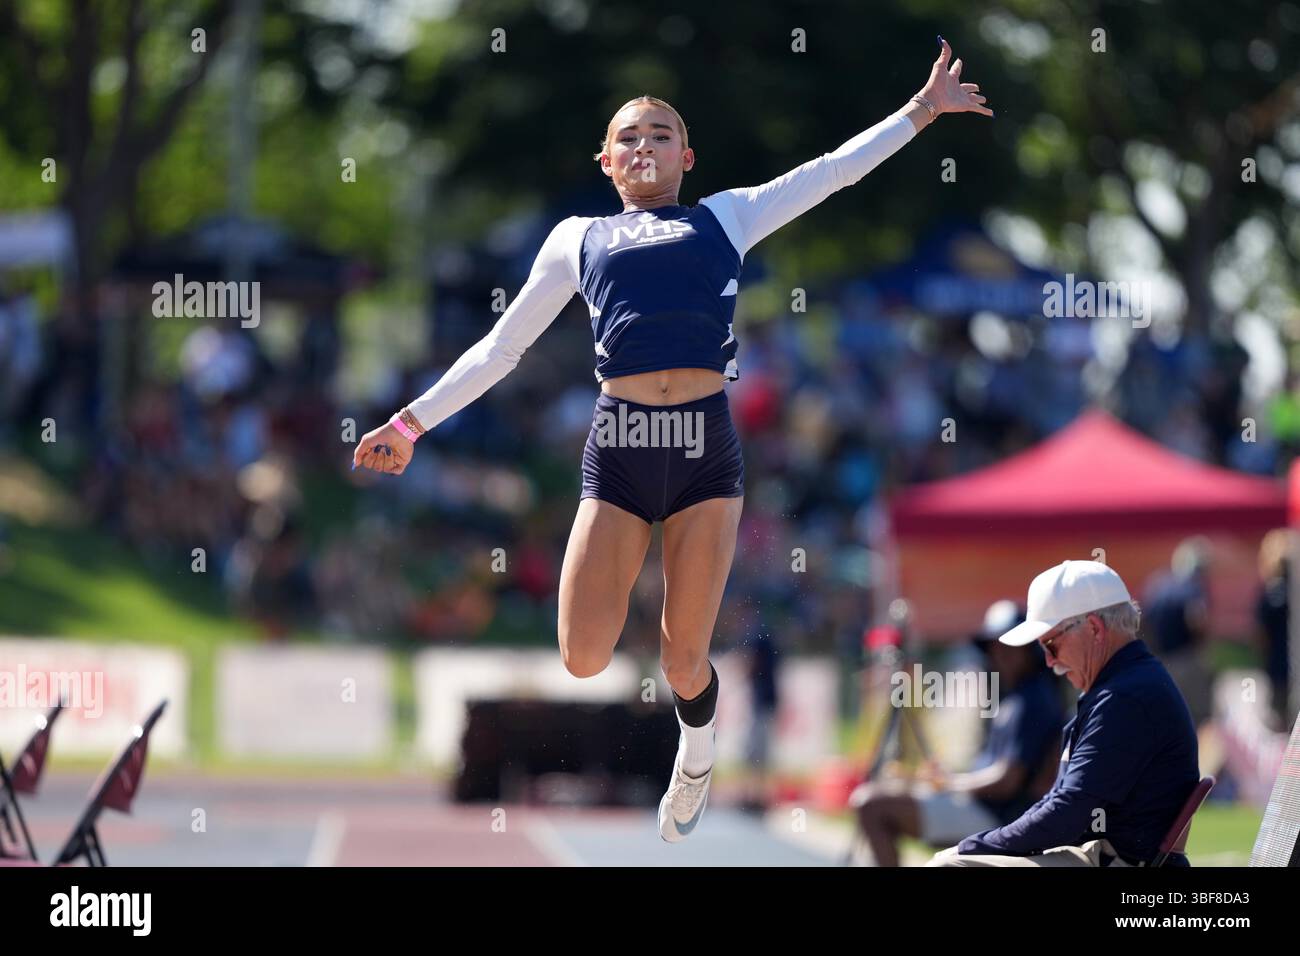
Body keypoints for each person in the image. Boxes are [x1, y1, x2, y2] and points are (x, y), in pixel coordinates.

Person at [353, 39, 993, 842]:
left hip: (704, 450)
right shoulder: (575, 239)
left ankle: (697, 748)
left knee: (684, 661)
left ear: (686, 156)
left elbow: (833, 170)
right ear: (607, 161)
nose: (644, 144)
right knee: (582, 655)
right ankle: (689, 728)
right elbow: (499, 350)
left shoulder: (725, 216)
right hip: (618, 447)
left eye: (660, 133)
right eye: (629, 135)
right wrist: (412, 423)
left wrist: (920, 112)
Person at [928, 560, 1200, 867]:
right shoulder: (1122, 686)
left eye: (1051, 645)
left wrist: (972, 847)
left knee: (947, 867)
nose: (1047, 661)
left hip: (1113, 862)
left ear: (1095, 629)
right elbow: (1062, 806)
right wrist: (980, 844)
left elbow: (1066, 815)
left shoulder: (1124, 695)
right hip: (1105, 856)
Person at [850, 599, 1063, 866]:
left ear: (1029, 650)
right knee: (883, 793)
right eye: (994, 647)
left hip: (996, 816)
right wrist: (947, 781)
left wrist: (951, 783)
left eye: (1010, 647)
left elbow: (1007, 781)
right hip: (983, 807)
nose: (1000, 654)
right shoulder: (1020, 695)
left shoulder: (1032, 700)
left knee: (871, 804)